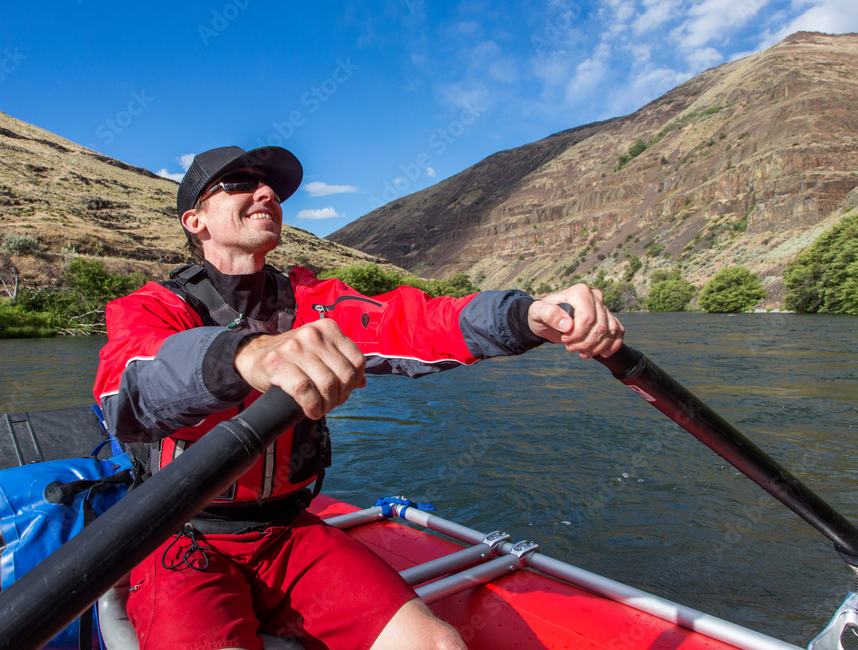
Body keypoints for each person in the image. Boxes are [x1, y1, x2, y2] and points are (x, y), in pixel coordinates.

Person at [93, 145, 624, 650]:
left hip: (288, 531)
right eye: (240, 184)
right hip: (181, 536)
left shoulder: (312, 301)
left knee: (436, 643)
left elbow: (412, 322)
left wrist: (525, 315)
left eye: (273, 189)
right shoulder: (151, 308)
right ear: (195, 221)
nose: (266, 195)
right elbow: (129, 388)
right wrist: (246, 355)